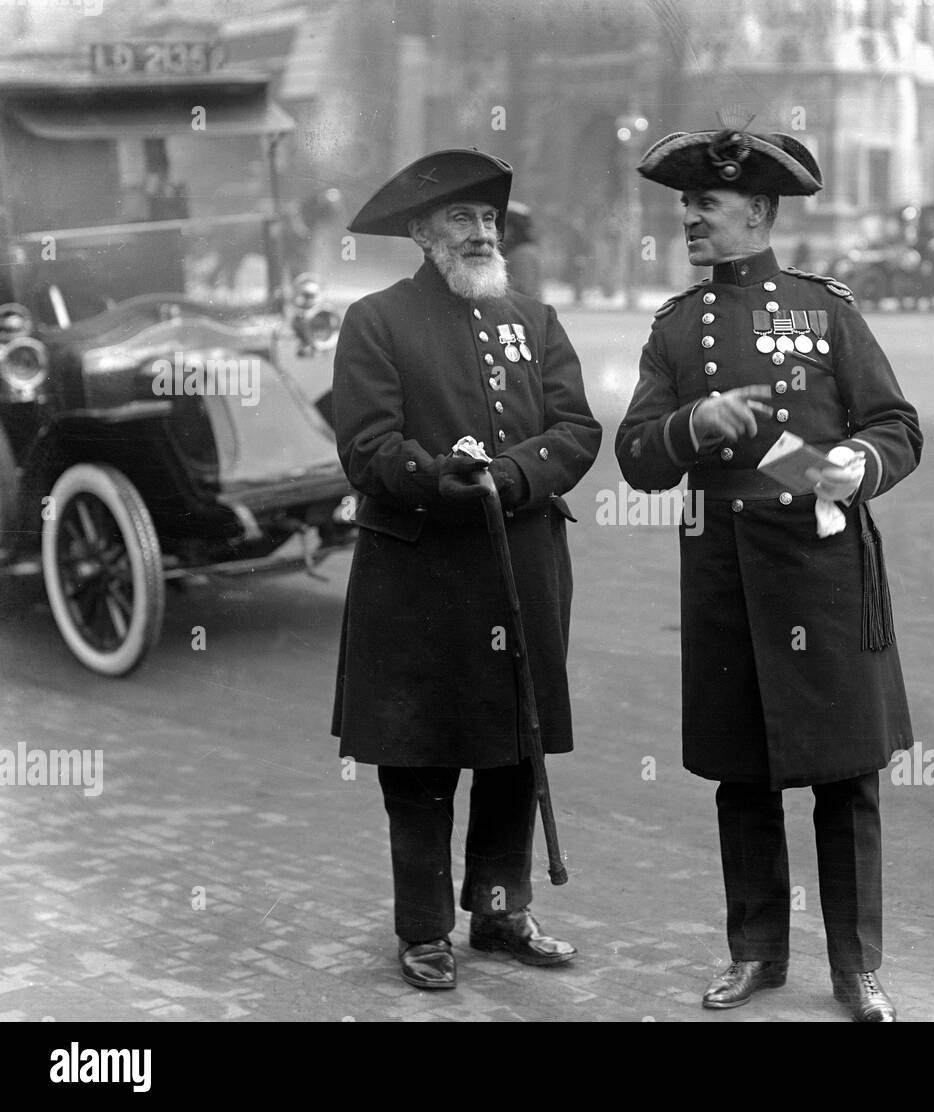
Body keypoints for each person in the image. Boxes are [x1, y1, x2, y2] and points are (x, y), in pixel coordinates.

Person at [615, 126, 923, 1021]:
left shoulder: (826, 311)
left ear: (756, 211)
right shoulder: (675, 330)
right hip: (726, 578)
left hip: (821, 575)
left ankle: (857, 968)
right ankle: (755, 953)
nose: (688, 220)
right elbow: (637, 458)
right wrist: (694, 425)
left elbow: (896, 423)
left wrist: (858, 465)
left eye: (703, 205)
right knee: (741, 778)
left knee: (846, 778)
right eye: (684, 206)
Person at [331, 149, 602, 991]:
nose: (482, 233)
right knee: (419, 758)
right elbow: (367, 448)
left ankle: (498, 911)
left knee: (512, 749)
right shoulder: (375, 321)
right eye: (460, 220)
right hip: (418, 577)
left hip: (521, 566)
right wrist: (437, 476)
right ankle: (423, 930)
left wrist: (513, 477)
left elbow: (576, 428)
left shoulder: (537, 318)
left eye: (488, 221)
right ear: (420, 234)